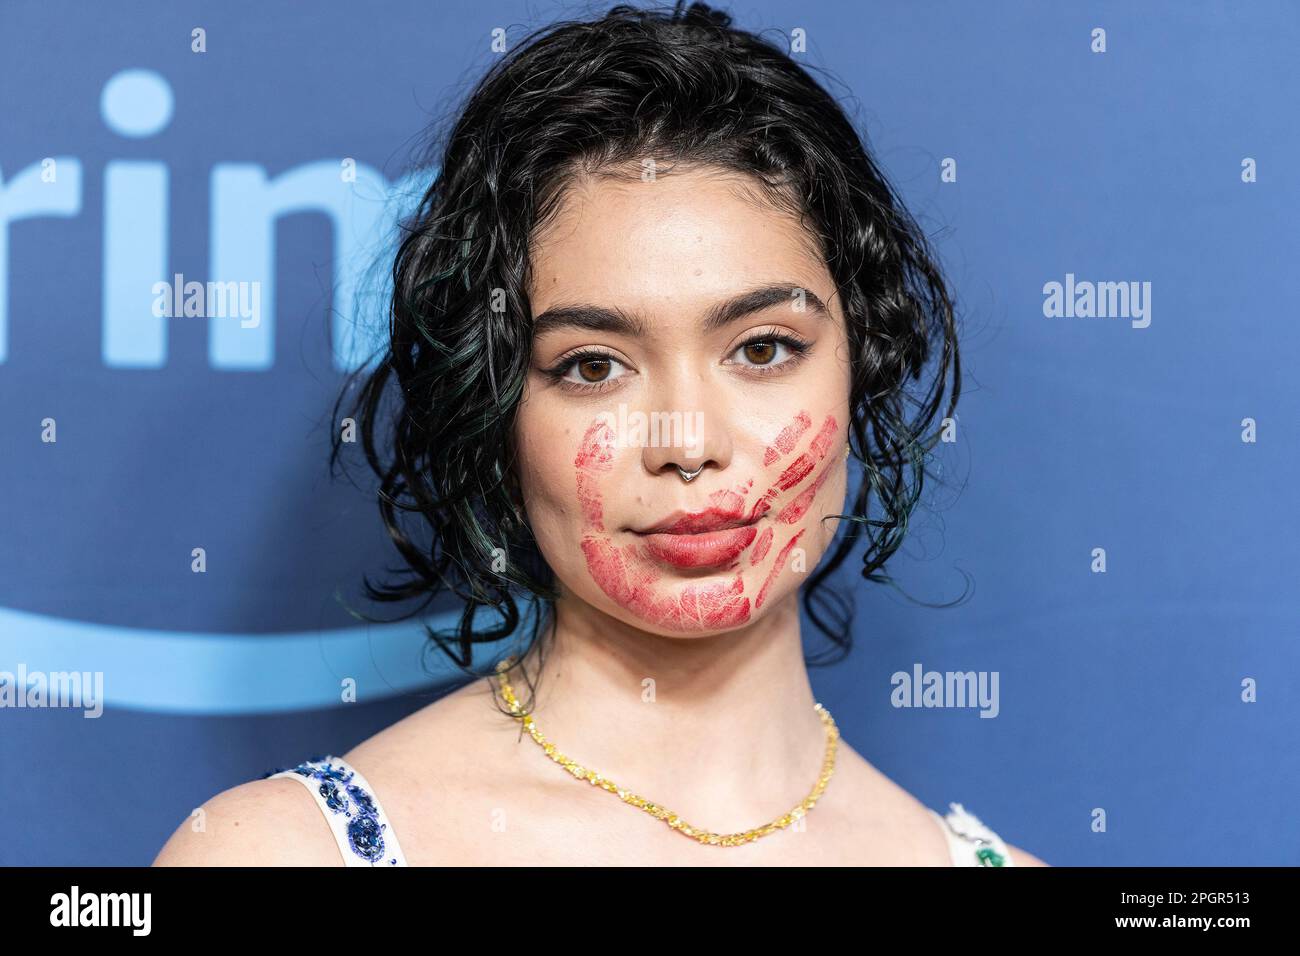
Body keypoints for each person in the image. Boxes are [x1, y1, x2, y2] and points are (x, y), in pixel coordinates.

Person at [155, 0, 1047, 867]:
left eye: (764, 347)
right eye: (592, 366)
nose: (687, 442)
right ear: (495, 407)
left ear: (864, 362)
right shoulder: (280, 853)